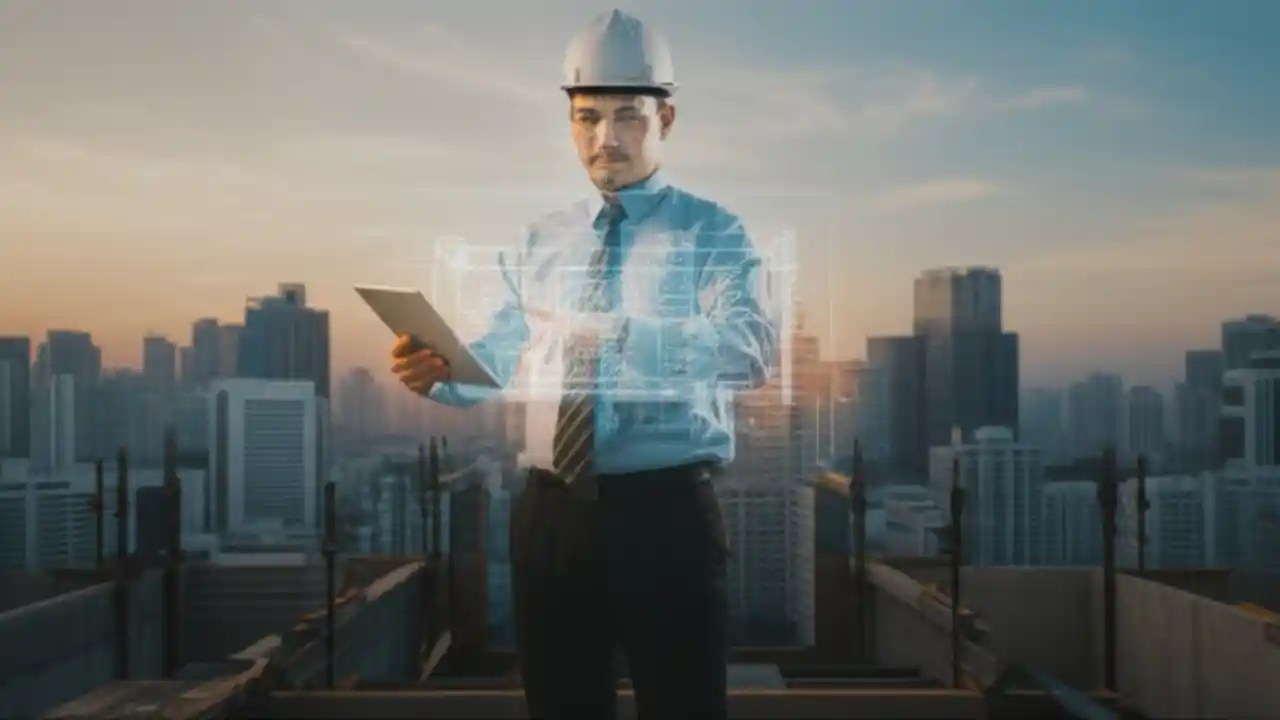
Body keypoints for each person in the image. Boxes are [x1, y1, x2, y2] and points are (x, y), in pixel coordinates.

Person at [390, 8, 777, 718]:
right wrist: (442, 374)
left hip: (666, 514)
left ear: (667, 119)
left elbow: (750, 351)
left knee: (682, 705)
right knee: (561, 706)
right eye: (586, 116)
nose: (605, 138)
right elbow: (498, 360)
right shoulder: (542, 239)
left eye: (627, 115)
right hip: (549, 518)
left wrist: (621, 333)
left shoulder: (712, 232)